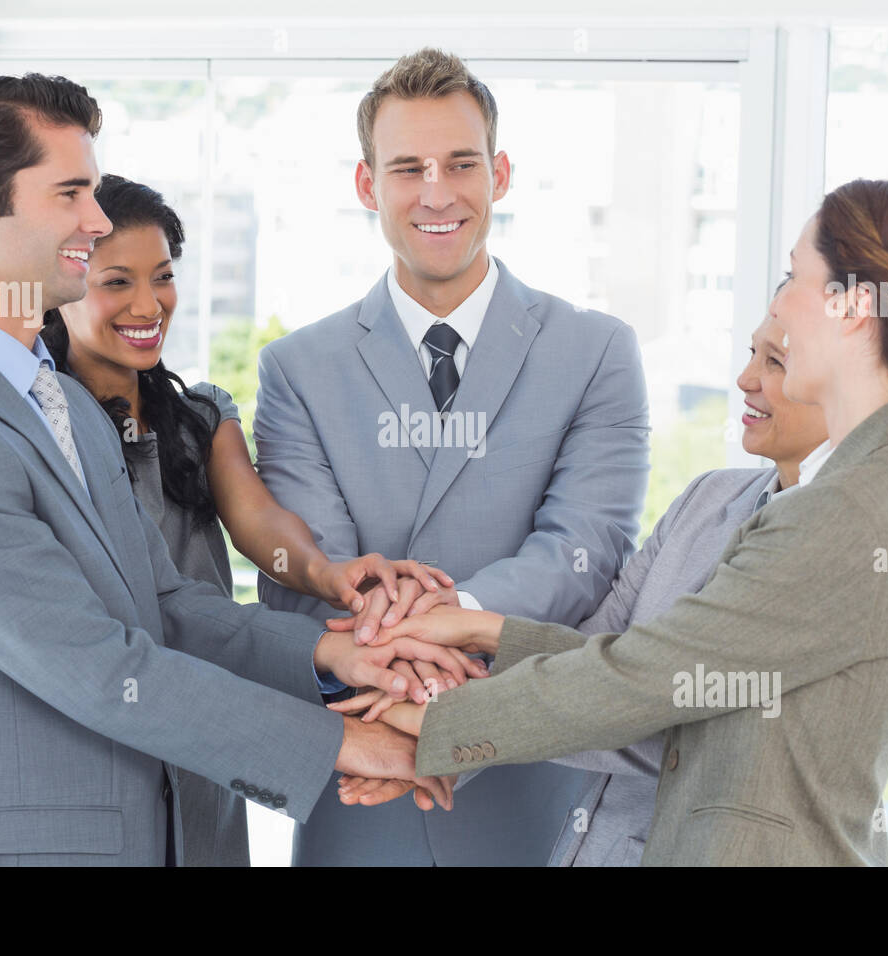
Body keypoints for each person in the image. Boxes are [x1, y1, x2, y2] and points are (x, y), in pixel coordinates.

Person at [0, 72, 463, 866]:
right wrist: (349, 742)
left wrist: (336, 657)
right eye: (70, 194)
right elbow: (94, 665)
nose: (95, 220)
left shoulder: (55, 399)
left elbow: (163, 605)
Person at [346, 178, 888, 866]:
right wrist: (482, 630)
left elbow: (645, 682)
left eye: (792, 277)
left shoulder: (848, 511)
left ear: (854, 308)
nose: (778, 306)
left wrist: (419, 724)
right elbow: (663, 665)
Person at [254, 47, 650, 866]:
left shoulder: (596, 352)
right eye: (408, 168)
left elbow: (587, 553)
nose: (437, 192)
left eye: (460, 163)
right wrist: (410, 682)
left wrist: (449, 620)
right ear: (368, 186)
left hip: (534, 786)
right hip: (365, 793)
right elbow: (310, 575)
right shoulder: (297, 368)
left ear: (499, 174)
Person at [39, 173, 464, 865]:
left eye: (164, 277)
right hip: (107, 734)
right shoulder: (45, 429)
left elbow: (260, 522)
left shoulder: (199, 417)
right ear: (64, 287)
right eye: (117, 281)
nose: (149, 304)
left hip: (217, 737)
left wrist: (328, 575)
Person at [335, 289, 828, 866]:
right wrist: (462, 642)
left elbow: (675, 724)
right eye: (751, 353)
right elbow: (597, 654)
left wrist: (415, 715)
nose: (745, 379)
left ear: (840, 379)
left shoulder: (828, 541)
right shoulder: (707, 496)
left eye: (775, 362)